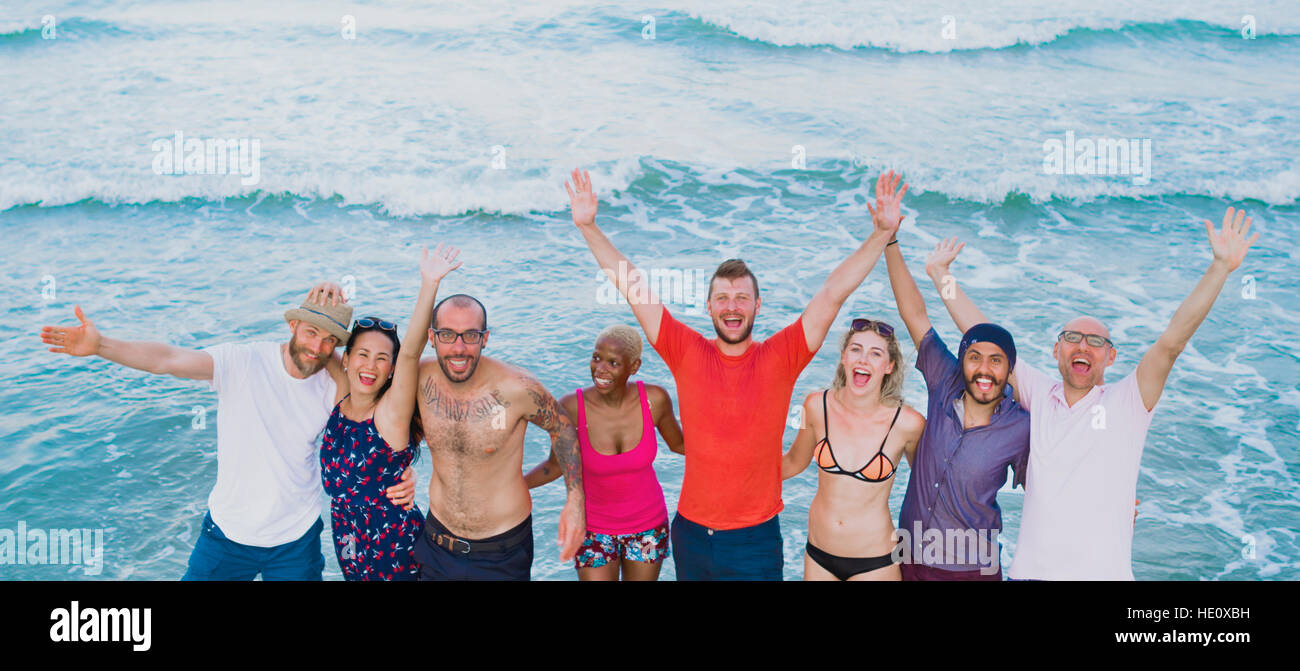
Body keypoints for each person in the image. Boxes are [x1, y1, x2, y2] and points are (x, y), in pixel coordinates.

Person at [565, 167, 909, 580]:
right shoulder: (686, 350)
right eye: (723, 298)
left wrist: (880, 234)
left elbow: (832, 294)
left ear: (757, 306)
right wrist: (589, 227)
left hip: (755, 540)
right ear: (709, 307)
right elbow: (635, 287)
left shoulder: (782, 356)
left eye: (742, 298)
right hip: (691, 533)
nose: (733, 306)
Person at [928, 207, 1259, 580]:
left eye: (1095, 341)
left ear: (1111, 356)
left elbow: (1171, 342)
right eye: (1071, 338)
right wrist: (942, 277)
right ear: (1057, 351)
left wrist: (1219, 268)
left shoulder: (1130, 402)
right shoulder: (1039, 394)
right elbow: (982, 333)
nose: (1082, 346)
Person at [39, 290, 415, 580]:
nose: (316, 347)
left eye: (328, 339)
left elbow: (379, 419)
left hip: (295, 541)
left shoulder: (336, 384)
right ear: (292, 326)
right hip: (228, 533)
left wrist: (401, 471)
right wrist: (101, 346)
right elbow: (167, 359)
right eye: (310, 332)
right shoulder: (243, 362)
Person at [882, 232, 1032, 580]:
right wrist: (890, 242)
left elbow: (1046, 487)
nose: (984, 369)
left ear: (1009, 372)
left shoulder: (1021, 426)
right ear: (962, 362)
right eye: (975, 357)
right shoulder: (944, 380)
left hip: (971, 570)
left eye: (996, 361)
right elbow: (913, 313)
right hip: (910, 558)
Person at [412, 287, 585, 581]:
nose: (459, 347)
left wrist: (576, 501)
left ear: (485, 339)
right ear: (431, 337)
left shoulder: (517, 388)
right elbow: (396, 422)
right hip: (437, 544)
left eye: (470, 335)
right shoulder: (418, 378)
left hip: (501, 553)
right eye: (447, 334)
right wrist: (399, 473)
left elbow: (563, 427)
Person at [312, 244, 461, 580]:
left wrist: (429, 284)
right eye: (362, 355)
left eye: (382, 359)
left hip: (397, 552)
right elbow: (316, 341)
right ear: (346, 359)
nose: (370, 366)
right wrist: (326, 293)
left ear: (392, 370)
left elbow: (410, 353)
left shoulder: (390, 414)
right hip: (350, 545)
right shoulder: (344, 396)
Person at [524, 324, 685, 581]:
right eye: (597, 358)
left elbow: (681, 445)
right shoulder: (571, 407)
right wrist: (514, 486)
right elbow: (555, 465)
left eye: (613, 363)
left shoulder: (654, 399)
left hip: (648, 525)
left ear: (633, 367)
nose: (600, 369)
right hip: (592, 530)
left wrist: (735, 448)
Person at [780, 319, 925, 580]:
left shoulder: (908, 424)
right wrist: (737, 469)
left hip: (876, 562)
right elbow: (792, 463)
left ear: (889, 366)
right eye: (856, 349)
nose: (863, 359)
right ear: (844, 357)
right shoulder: (815, 405)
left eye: (876, 353)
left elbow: (928, 487)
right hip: (818, 556)